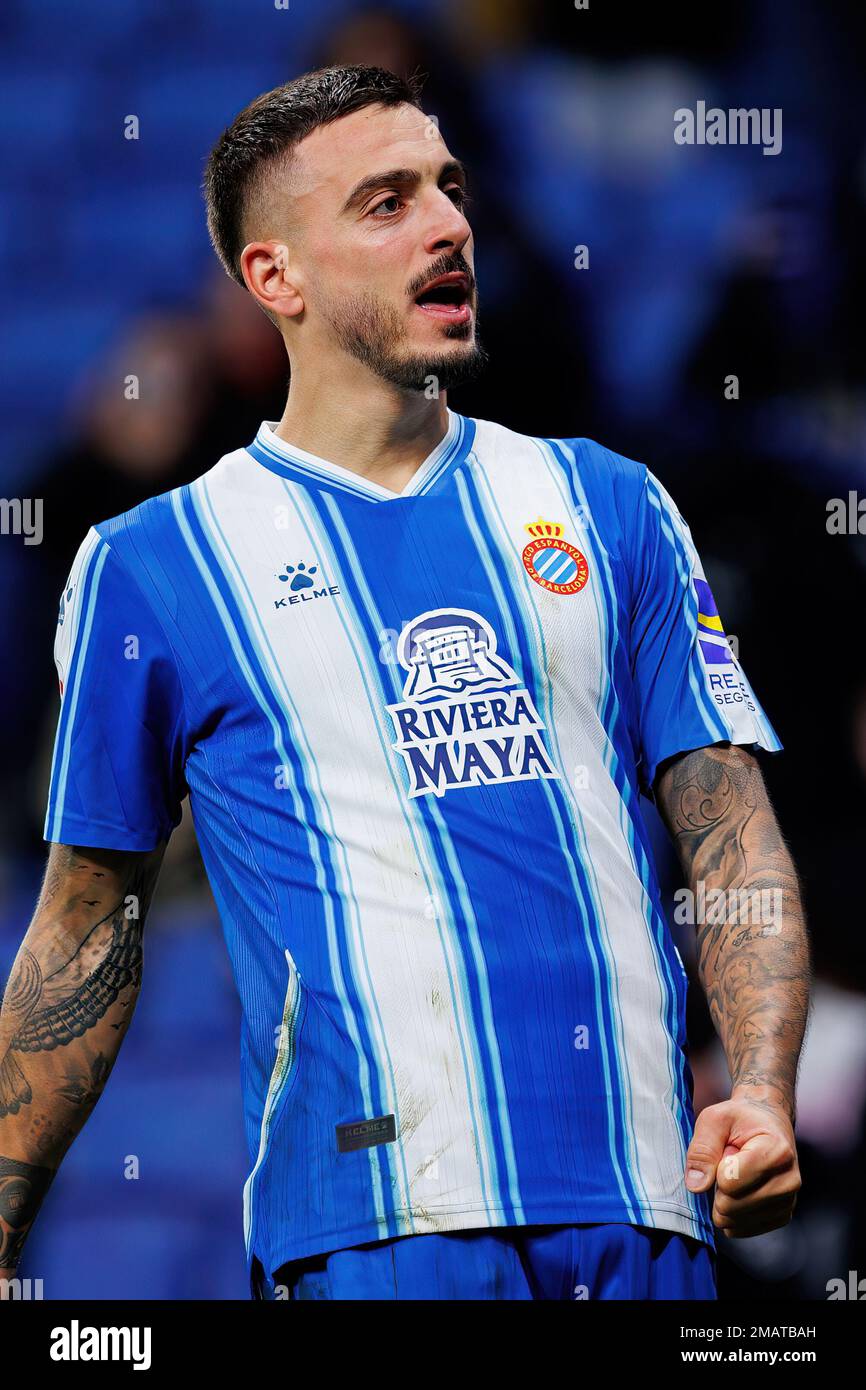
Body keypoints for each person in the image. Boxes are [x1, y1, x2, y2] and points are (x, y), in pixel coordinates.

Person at [0, 65, 808, 1302]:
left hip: (645, 1214)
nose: (448, 225)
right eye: (385, 203)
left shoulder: (609, 504)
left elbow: (727, 827)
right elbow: (82, 927)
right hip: (373, 1234)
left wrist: (755, 1085)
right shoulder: (154, 565)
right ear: (277, 277)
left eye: (449, 189)